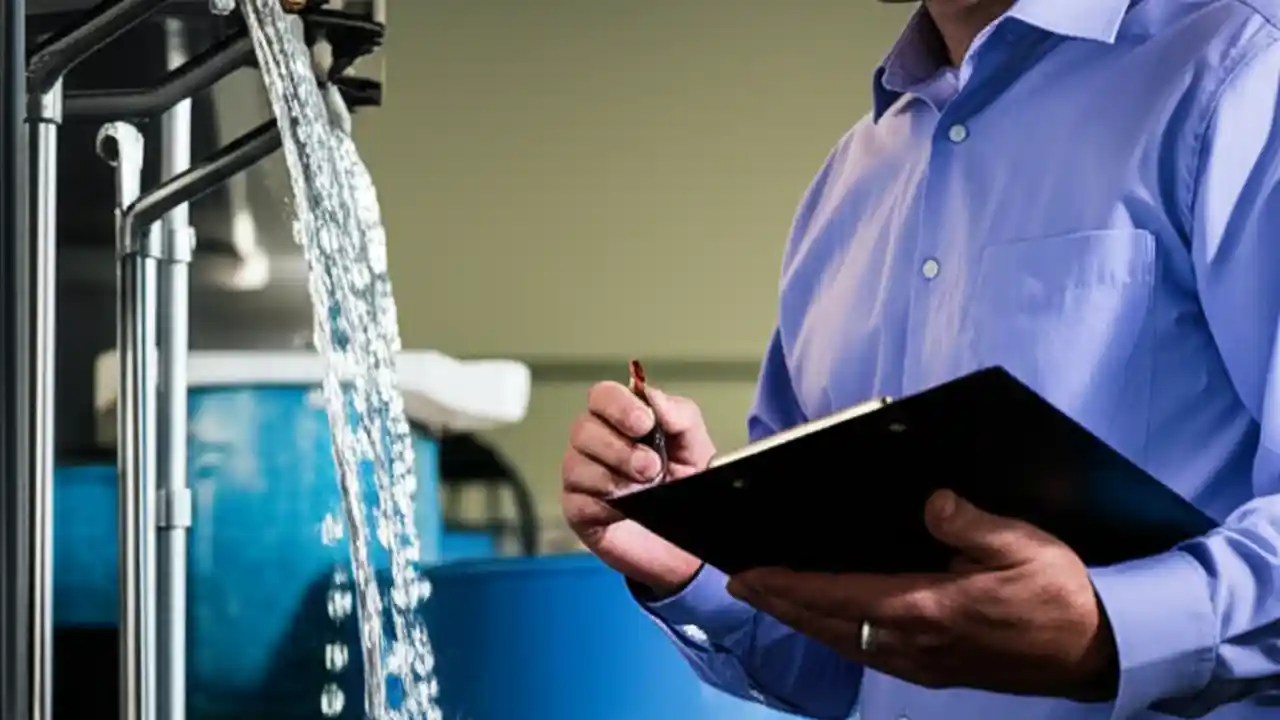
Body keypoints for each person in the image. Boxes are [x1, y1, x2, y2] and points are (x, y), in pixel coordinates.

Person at [560, 0, 1280, 718]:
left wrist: (1113, 632)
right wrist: (697, 561)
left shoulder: (1246, 71)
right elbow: (850, 662)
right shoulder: (849, 188)